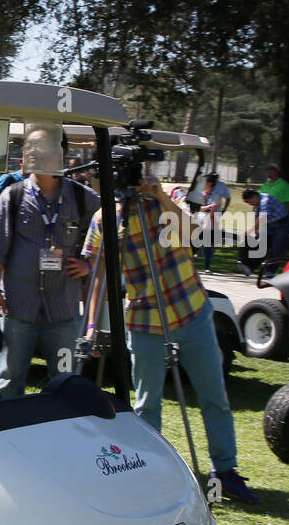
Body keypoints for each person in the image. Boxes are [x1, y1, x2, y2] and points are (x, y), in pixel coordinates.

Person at [82, 175, 259, 504]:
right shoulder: (103, 217)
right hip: (144, 319)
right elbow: (98, 276)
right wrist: (92, 325)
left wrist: (159, 196)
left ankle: (226, 472)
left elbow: (193, 234)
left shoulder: (166, 201)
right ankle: (151, 472)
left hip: (191, 312)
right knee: (147, 404)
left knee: (214, 398)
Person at [0, 125, 99, 397]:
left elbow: (114, 231)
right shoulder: (12, 197)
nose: (31, 153)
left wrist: (89, 263)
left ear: (59, 153)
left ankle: (62, 436)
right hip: (19, 313)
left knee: (66, 382)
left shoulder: (83, 198)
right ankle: (7, 436)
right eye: (28, 147)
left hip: (63, 315)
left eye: (39, 146)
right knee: (10, 382)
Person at [242, 188, 289, 264]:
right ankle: (251, 266)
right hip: (270, 225)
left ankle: (270, 272)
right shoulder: (257, 204)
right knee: (261, 245)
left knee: (276, 249)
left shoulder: (266, 201)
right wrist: (256, 231)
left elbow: (263, 217)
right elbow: (257, 217)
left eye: (248, 202)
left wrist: (251, 230)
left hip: (282, 225)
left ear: (254, 196)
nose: (249, 204)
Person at [195, 173, 230, 274]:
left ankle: (207, 267)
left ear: (209, 184)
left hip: (212, 218)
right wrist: (207, 207)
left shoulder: (216, 194)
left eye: (204, 183)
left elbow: (214, 209)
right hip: (201, 218)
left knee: (209, 243)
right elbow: (198, 207)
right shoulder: (203, 193)